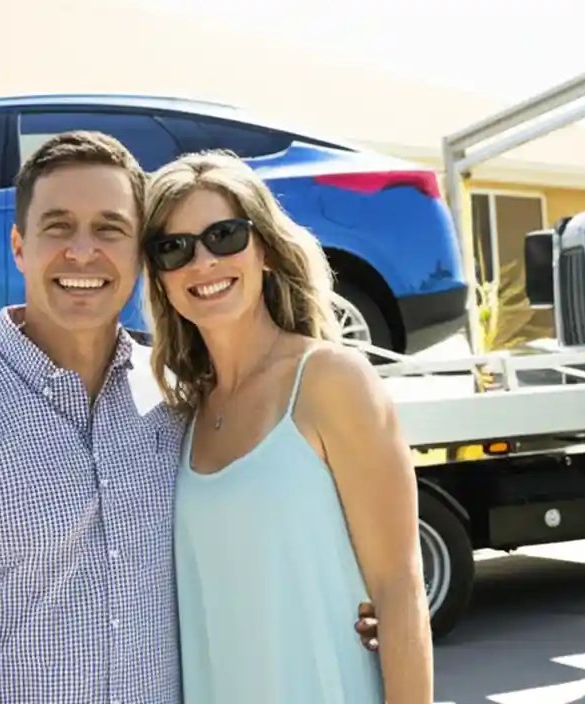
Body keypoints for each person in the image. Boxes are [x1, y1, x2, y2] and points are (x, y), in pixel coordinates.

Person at [0, 131, 380, 704]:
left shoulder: (180, 404)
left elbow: (264, 539)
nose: (83, 252)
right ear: (19, 246)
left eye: (110, 229)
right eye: (58, 227)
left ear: (139, 256)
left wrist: (361, 609)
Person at [141, 150, 433, 704]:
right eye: (174, 248)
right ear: (161, 279)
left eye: (224, 236)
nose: (203, 262)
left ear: (267, 250)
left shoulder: (330, 381)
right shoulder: (183, 416)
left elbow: (399, 588)